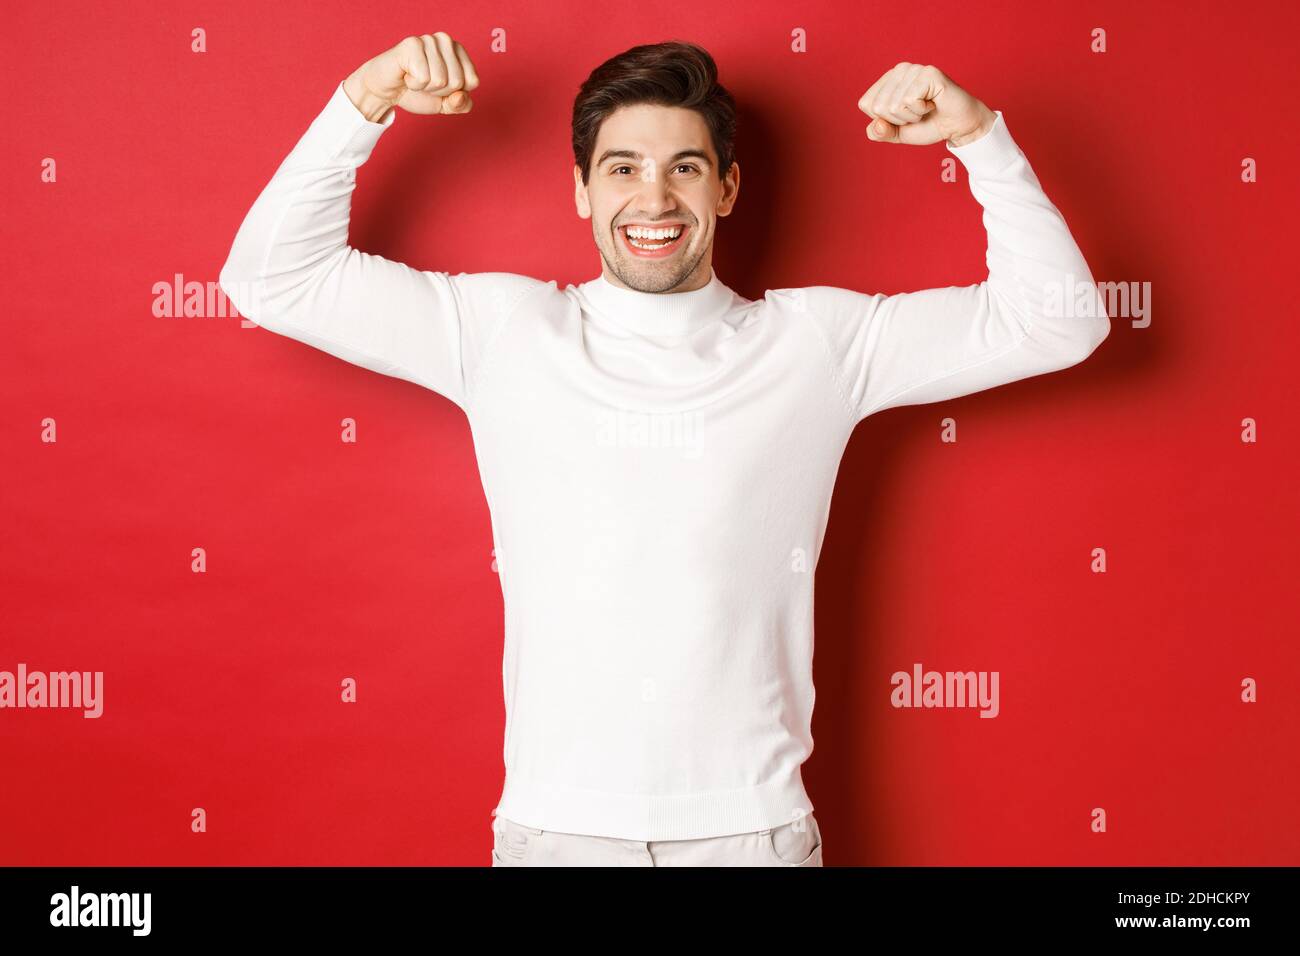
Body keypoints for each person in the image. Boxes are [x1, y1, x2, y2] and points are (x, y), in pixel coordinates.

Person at [219, 34, 1110, 867]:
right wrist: (363, 101)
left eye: (684, 168)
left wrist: (982, 142)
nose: (653, 199)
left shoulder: (816, 345)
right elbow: (272, 278)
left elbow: (1058, 323)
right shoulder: (503, 331)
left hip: (751, 833)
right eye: (623, 169)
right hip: (555, 832)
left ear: (725, 188)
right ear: (582, 190)